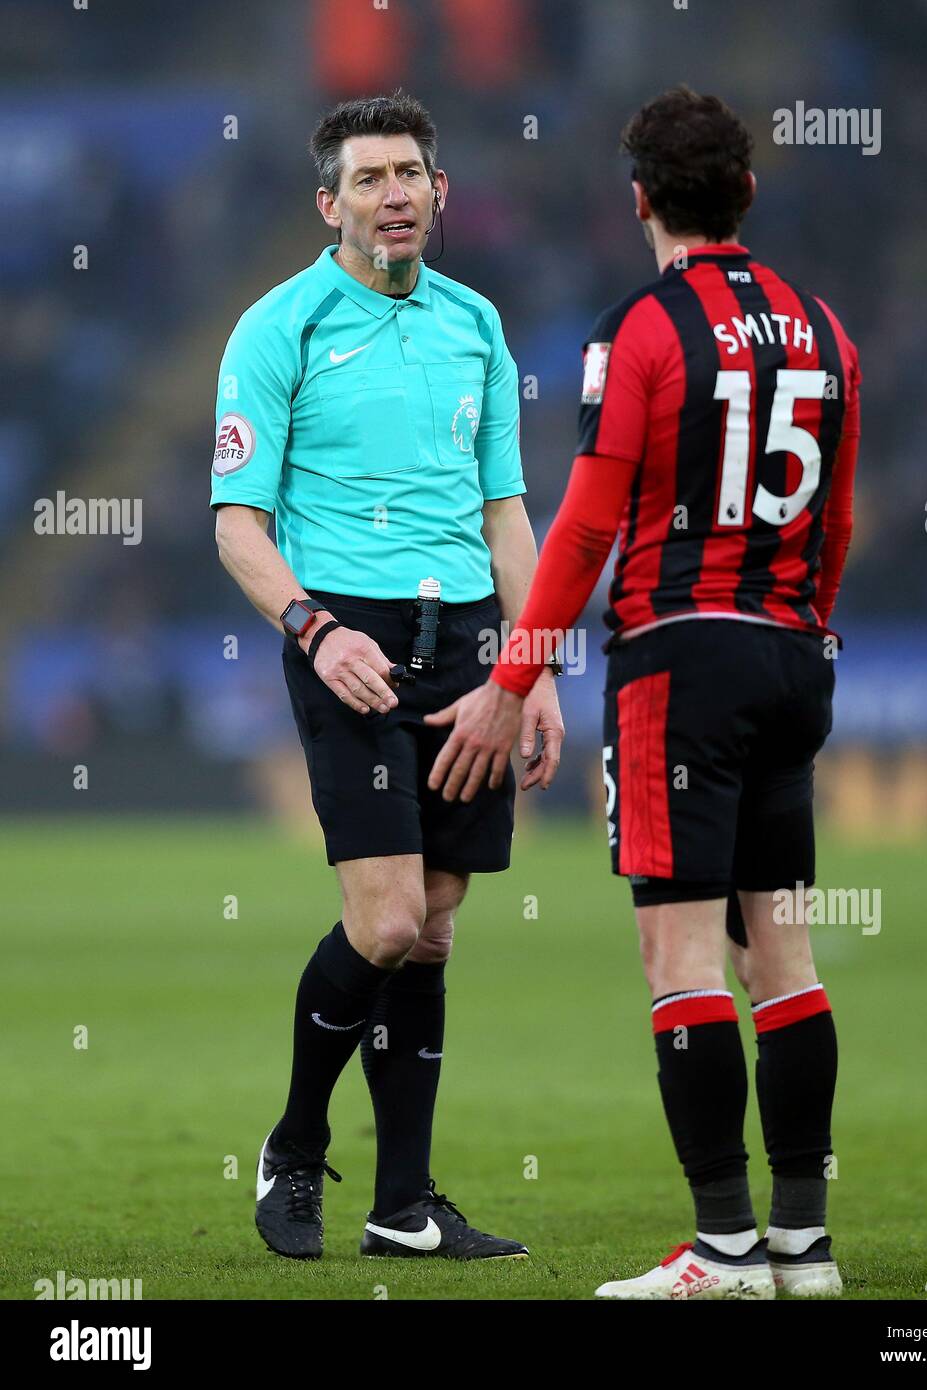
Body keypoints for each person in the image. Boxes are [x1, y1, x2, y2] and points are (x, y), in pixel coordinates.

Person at [425, 86, 860, 1299]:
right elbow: (840, 516)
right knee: (783, 948)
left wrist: (514, 679)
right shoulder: (826, 326)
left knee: (680, 956)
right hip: (791, 651)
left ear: (639, 202)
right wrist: (806, 632)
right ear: (749, 193)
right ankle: (805, 1248)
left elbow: (586, 525)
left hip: (682, 658)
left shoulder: (644, 330)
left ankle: (723, 1249)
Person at [211, 91, 564, 1263]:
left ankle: (403, 1204)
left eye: (410, 172)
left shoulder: (477, 324)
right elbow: (238, 527)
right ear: (331, 205)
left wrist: (537, 665)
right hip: (347, 640)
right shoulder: (278, 328)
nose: (395, 193)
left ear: (441, 190)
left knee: (437, 929)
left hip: (467, 643)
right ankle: (296, 1144)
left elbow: (508, 511)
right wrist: (316, 629)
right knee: (392, 913)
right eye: (369, 179)